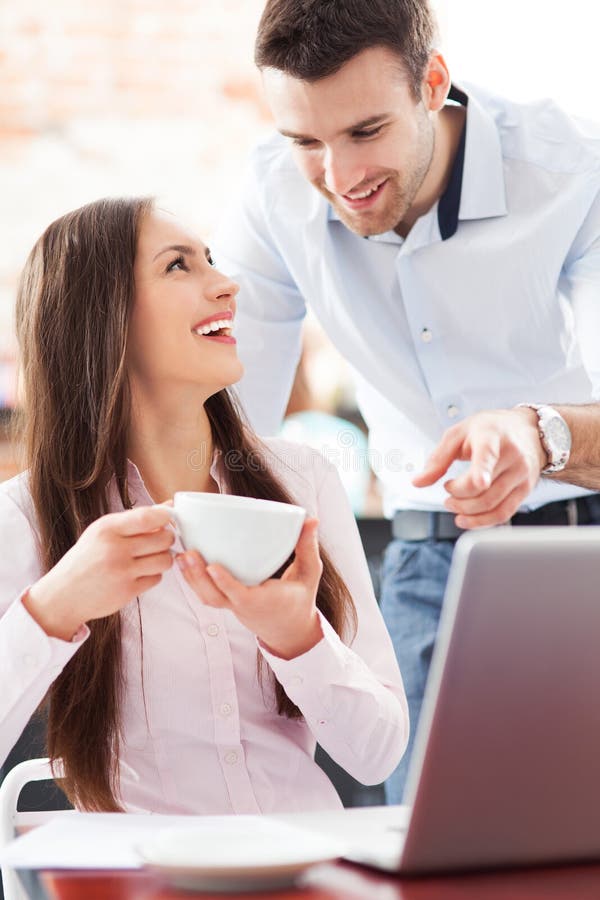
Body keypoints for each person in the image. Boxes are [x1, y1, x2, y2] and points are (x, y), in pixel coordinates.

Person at [211, 0, 600, 803]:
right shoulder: (271, 193)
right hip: (425, 563)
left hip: (583, 541)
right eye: (306, 141)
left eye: (365, 132)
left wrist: (538, 433)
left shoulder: (573, 170)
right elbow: (228, 420)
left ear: (433, 83)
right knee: (430, 844)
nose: (341, 178)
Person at [0, 197, 408, 814]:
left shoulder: (304, 481)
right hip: (137, 870)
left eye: (211, 259)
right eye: (178, 266)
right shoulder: (28, 516)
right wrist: (55, 608)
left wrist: (297, 637)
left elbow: (378, 754)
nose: (227, 284)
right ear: (102, 318)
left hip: (300, 862)